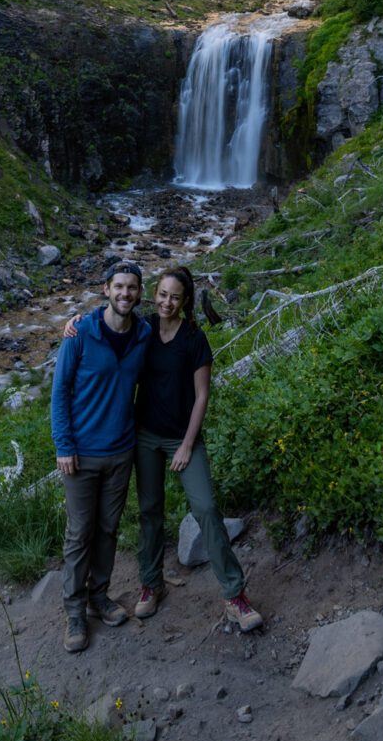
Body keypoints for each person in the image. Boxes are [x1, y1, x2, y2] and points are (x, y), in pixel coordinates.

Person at [66, 264, 263, 633]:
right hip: (144, 436)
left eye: (175, 297)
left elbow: (202, 395)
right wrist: (75, 321)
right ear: (152, 295)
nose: (167, 302)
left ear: (185, 301)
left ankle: (234, 595)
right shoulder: (143, 329)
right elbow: (110, 319)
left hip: (181, 437)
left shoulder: (194, 338)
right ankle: (150, 583)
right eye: (162, 295)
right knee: (149, 510)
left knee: (205, 508)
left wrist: (187, 445)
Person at [50, 261, 152, 653]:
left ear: (139, 293)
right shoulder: (80, 333)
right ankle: (74, 611)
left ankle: (99, 596)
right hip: (81, 453)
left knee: (108, 529)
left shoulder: (143, 334)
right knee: (80, 533)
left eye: (132, 287)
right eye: (119, 286)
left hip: (121, 450)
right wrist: (64, 445)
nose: (125, 293)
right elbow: (60, 393)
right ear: (106, 289)